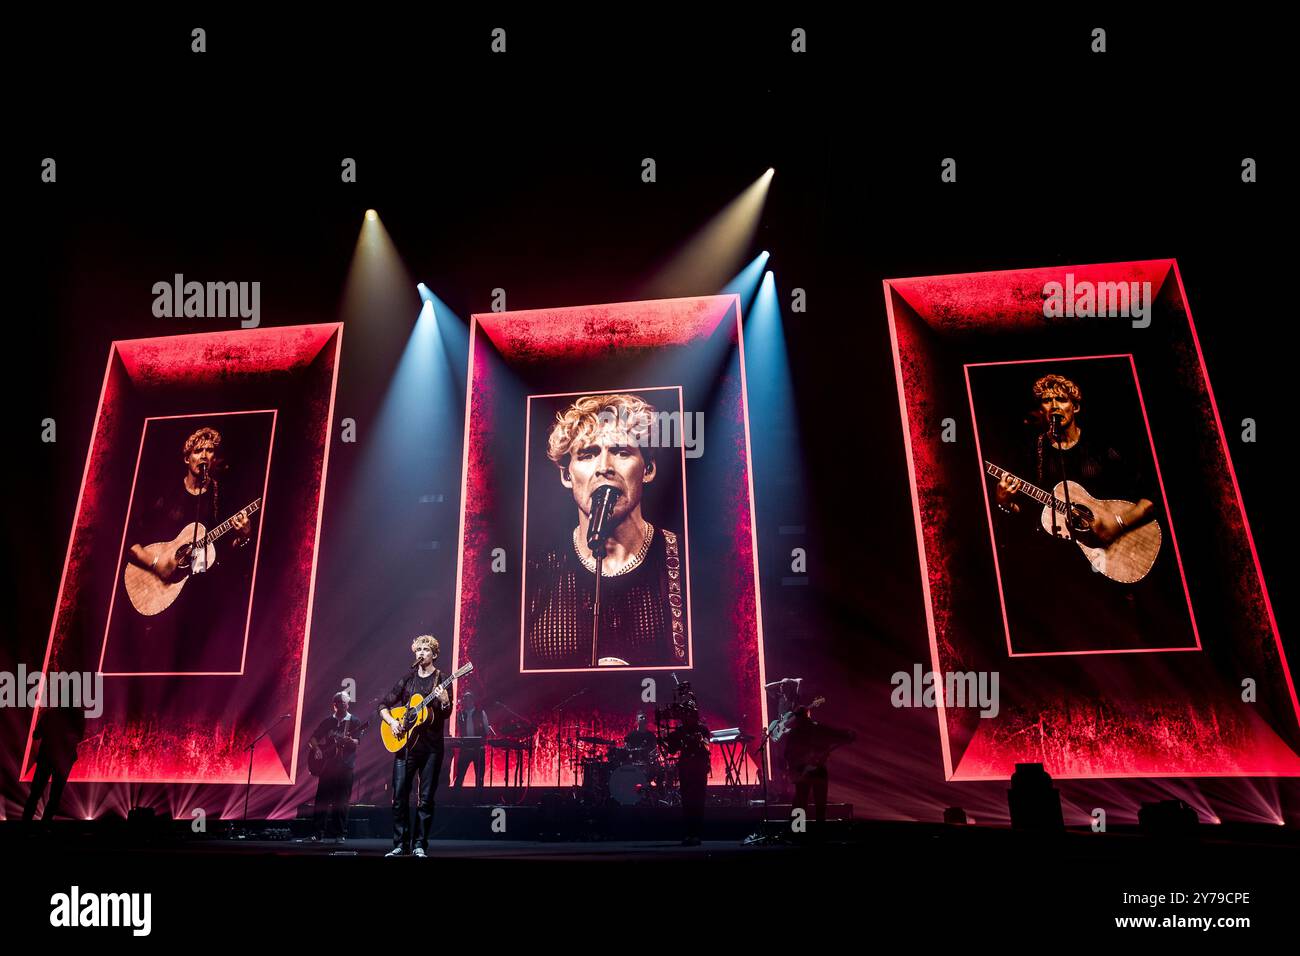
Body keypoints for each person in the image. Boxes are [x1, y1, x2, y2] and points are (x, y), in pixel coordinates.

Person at [990, 372, 1188, 651]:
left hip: (1117, 553)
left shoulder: (1103, 445)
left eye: (1062, 399)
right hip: (1066, 570)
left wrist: (1117, 523)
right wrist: (1004, 502)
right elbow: (1025, 513)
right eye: (1047, 401)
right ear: (1040, 410)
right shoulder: (1034, 451)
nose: (1055, 406)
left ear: (1076, 407)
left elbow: (1152, 496)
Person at [524, 393, 686, 669]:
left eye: (621, 452)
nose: (604, 468)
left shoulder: (686, 562)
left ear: (647, 468)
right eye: (588, 455)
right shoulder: (536, 570)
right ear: (567, 475)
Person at [109, 426, 255, 672]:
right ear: (187, 458)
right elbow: (127, 539)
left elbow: (224, 553)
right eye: (199, 451)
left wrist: (244, 536)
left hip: (197, 597)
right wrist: (156, 564)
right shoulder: (164, 492)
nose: (205, 456)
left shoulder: (221, 497)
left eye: (210, 451)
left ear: (216, 459)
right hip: (156, 587)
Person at [379, 635, 452, 857]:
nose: (421, 653)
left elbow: (446, 713)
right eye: (418, 649)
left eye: (426, 649)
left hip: (431, 749)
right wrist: (392, 722)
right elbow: (383, 705)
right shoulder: (408, 680)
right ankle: (400, 844)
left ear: (434, 654)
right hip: (405, 747)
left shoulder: (442, 679)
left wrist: (445, 699)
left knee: (426, 798)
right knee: (400, 795)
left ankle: (419, 844)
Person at [307, 691, 362, 842]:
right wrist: (317, 749)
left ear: (348, 704)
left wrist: (350, 741)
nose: (341, 706)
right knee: (322, 800)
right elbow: (312, 739)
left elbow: (357, 742)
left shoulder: (354, 721)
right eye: (338, 703)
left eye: (344, 703)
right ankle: (317, 833)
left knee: (342, 801)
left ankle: (340, 834)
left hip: (345, 766)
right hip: (327, 766)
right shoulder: (327, 722)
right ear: (334, 705)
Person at [22, 706, 86, 823]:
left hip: (47, 757)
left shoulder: (50, 713)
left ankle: (26, 824)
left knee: (35, 793)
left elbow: (36, 735)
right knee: (55, 796)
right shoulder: (77, 715)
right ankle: (45, 825)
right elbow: (79, 737)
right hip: (64, 760)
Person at [665, 707, 711, 846]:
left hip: (699, 767)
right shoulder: (680, 730)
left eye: (689, 715)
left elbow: (707, 745)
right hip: (686, 768)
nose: (686, 718)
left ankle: (696, 833)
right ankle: (689, 833)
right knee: (687, 801)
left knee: (698, 801)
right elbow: (671, 749)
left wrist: (699, 739)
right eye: (685, 715)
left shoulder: (702, 729)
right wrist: (666, 740)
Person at [451, 691, 491, 788]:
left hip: (478, 749)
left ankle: (479, 798)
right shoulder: (460, 714)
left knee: (479, 776)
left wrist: (483, 739)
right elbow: (459, 729)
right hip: (465, 748)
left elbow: (486, 730)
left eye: (469, 699)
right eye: (465, 700)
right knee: (460, 775)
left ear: (473, 701)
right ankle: (456, 798)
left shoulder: (480, 713)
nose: (466, 702)